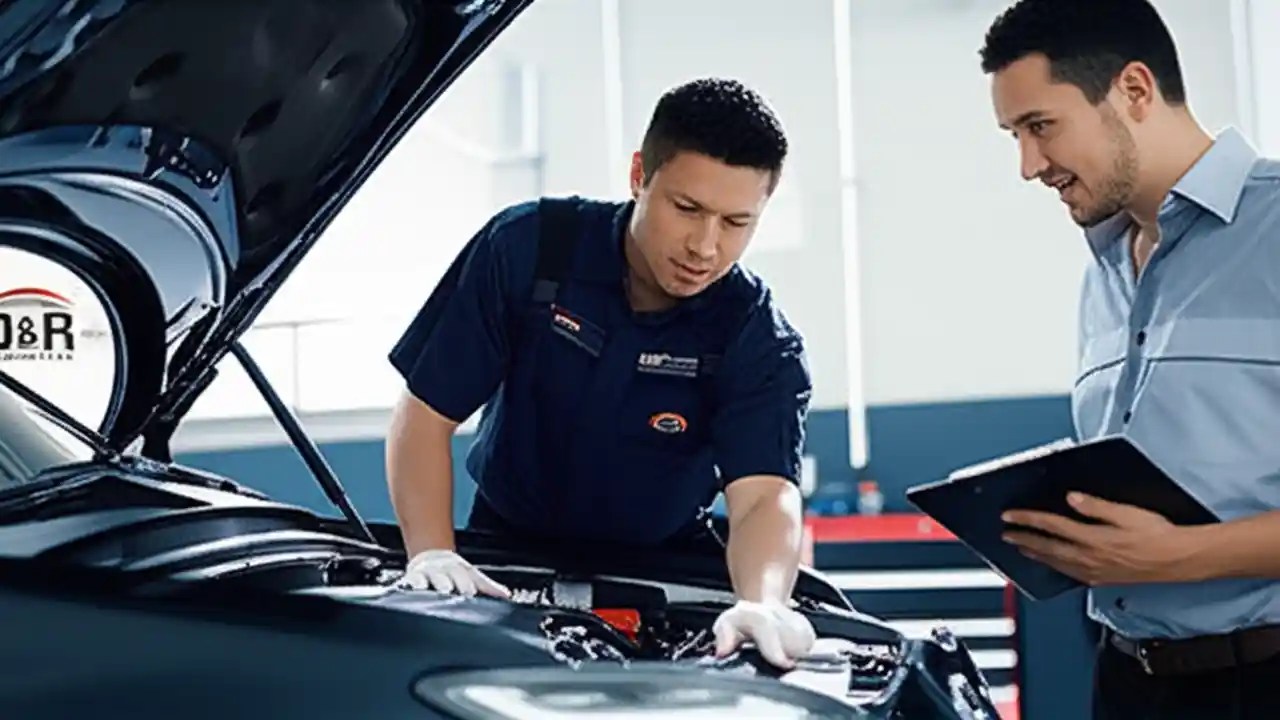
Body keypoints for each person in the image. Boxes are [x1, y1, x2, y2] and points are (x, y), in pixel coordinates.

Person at [383, 77, 816, 669]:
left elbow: (764, 495)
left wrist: (764, 603)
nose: (706, 247)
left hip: (662, 561)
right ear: (639, 174)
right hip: (507, 545)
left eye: (737, 223)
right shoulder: (530, 252)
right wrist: (430, 552)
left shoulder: (754, 334)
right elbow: (426, 414)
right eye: (687, 209)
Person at [979, 1, 1280, 717]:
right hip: (1128, 682)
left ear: (1134, 91)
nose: (1028, 166)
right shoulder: (1103, 276)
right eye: (1014, 136)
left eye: (1040, 127)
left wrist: (1177, 558)